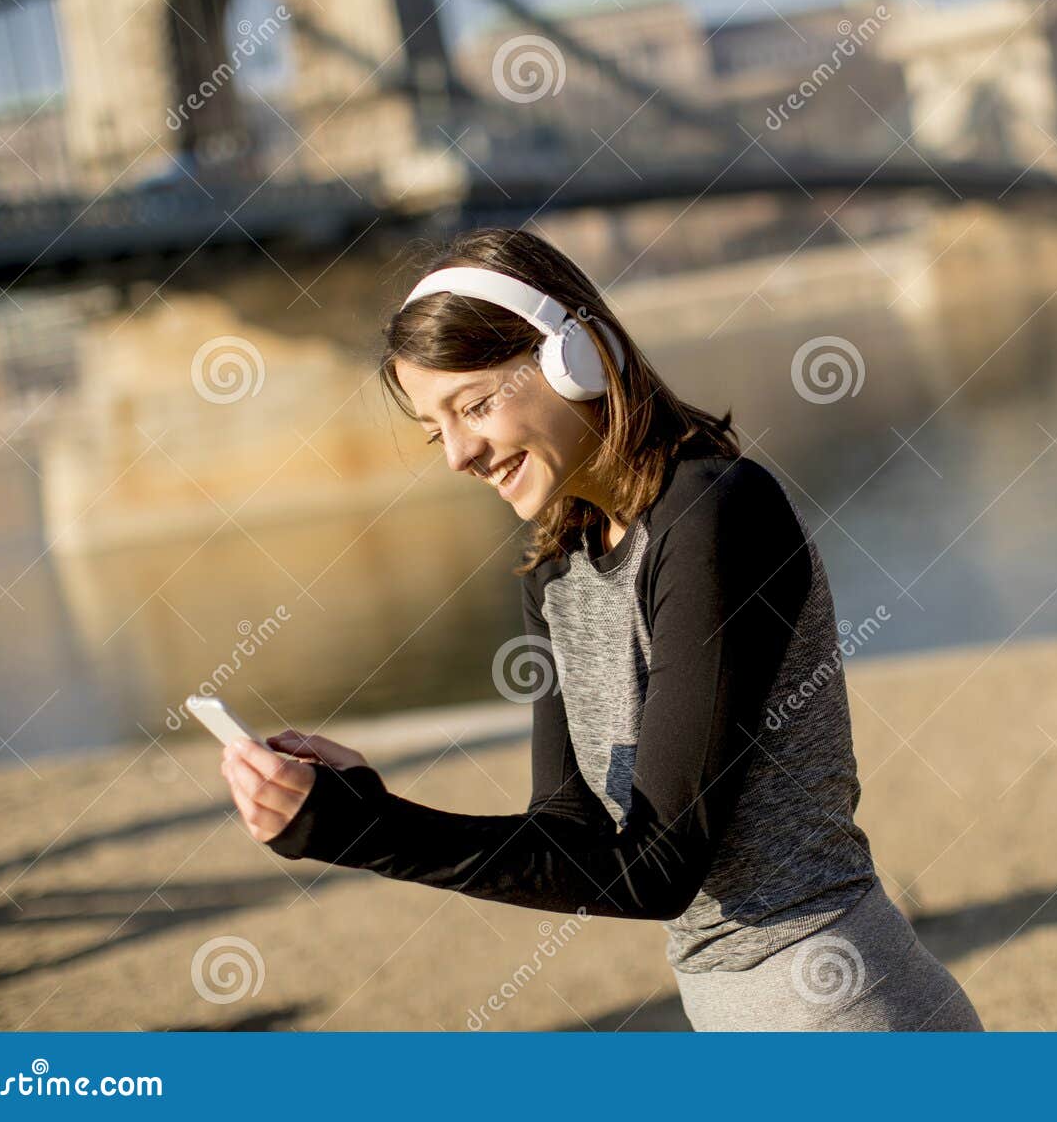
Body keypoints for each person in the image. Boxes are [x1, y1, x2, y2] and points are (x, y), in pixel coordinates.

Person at [218, 227, 984, 1032]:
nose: (457, 454)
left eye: (476, 405)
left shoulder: (718, 512)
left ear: (578, 355)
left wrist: (363, 832)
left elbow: (657, 869)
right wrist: (362, 803)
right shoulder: (557, 565)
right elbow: (568, 831)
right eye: (435, 428)